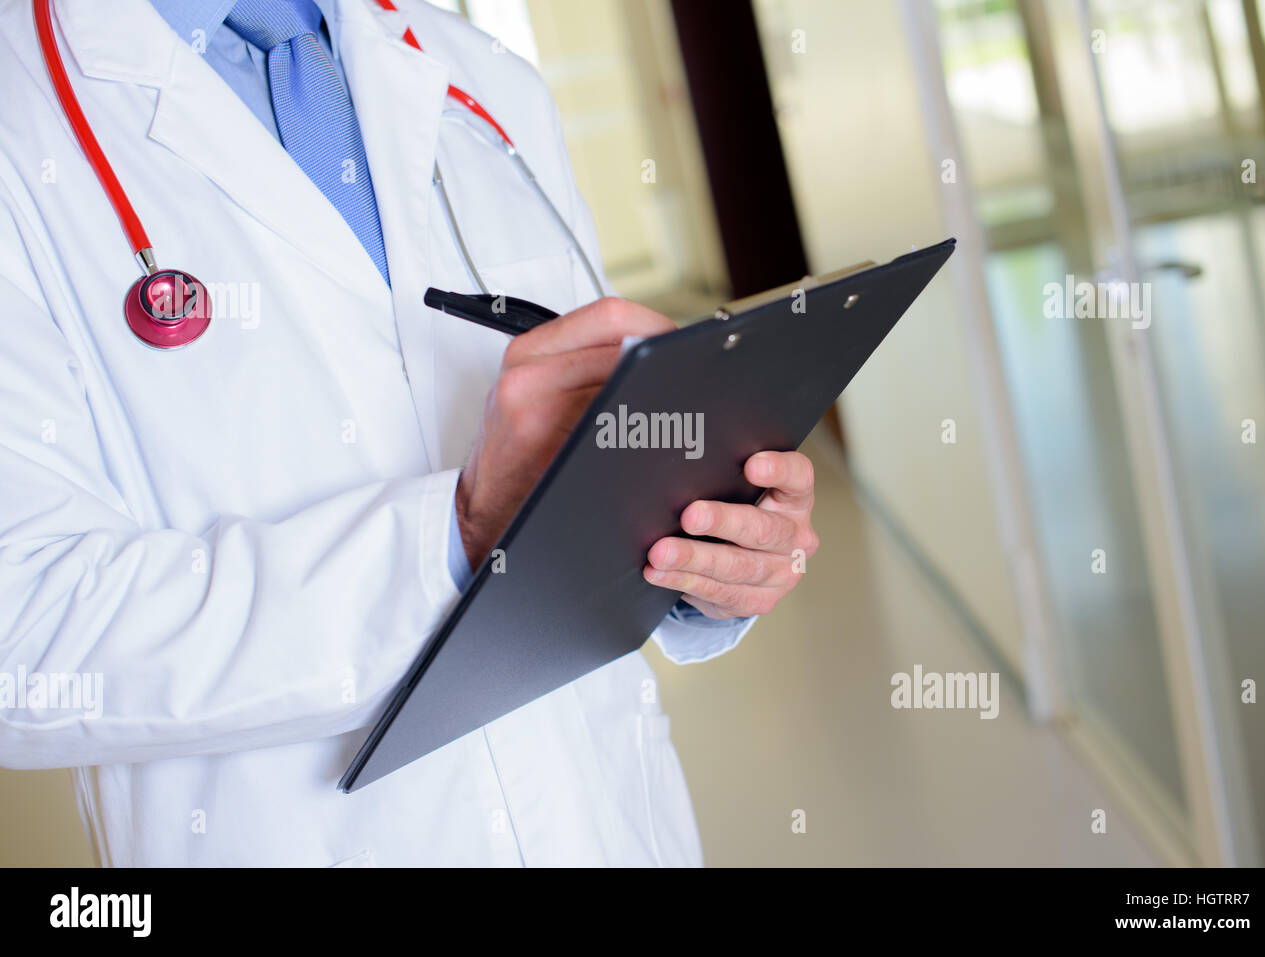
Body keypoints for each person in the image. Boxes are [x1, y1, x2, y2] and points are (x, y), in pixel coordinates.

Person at [0, 0, 818, 866]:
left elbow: (597, 447)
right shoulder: (25, 117)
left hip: (608, 825)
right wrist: (456, 534)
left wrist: (704, 542)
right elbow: (25, 645)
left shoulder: (483, 79)